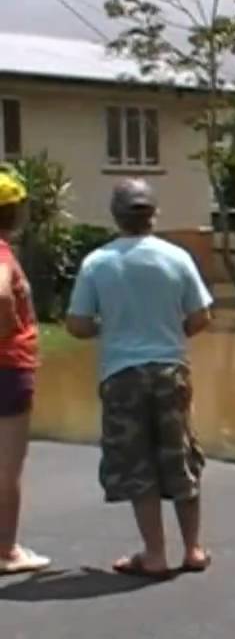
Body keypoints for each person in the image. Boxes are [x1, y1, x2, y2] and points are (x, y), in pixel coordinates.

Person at [65, 178, 214, 579]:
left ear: (116, 216)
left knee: (138, 462)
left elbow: (77, 325)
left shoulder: (97, 263)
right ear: (153, 214)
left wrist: (111, 328)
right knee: (180, 455)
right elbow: (201, 317)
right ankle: (194, 549)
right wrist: (167, 330)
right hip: (170, 370)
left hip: (121, 375)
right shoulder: (177, 258)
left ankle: (154, 554)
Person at [0, 172, 51, 576]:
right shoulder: (0, 253)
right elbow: (0, 293)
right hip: (8, 368)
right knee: (8, 465)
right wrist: (9, 325)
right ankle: (6, 551)